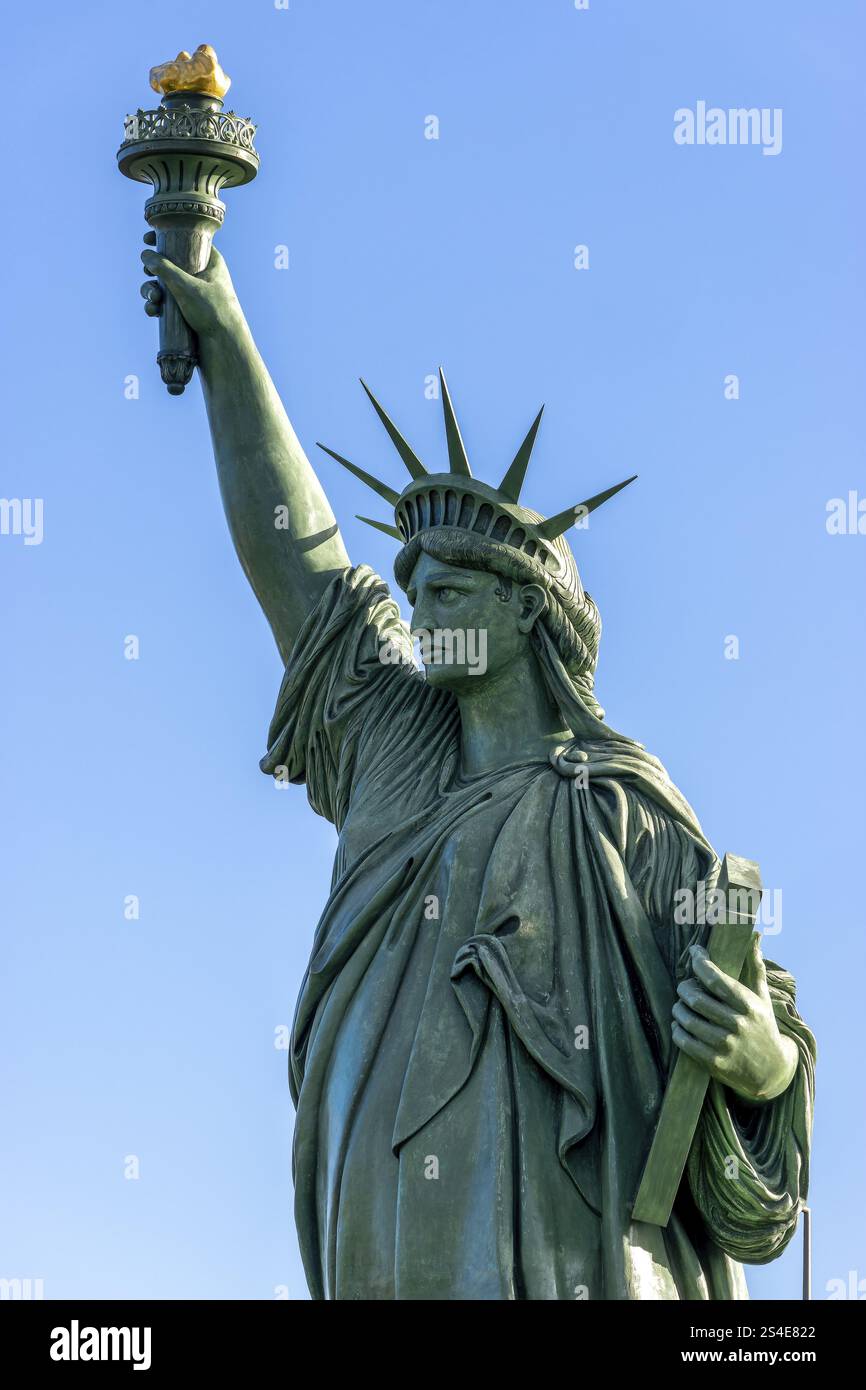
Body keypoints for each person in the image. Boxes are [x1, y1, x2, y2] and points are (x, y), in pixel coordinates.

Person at [138, 236, 816, 1300]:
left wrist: (764, 1064)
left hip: (577, 1255)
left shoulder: (624, 812)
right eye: (414, 597)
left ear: (525, 611)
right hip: (387, 1248)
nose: (421, 616)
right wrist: (227, 337)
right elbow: (298, 560)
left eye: (450, 595)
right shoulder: (393, 748)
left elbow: (747, 1055)